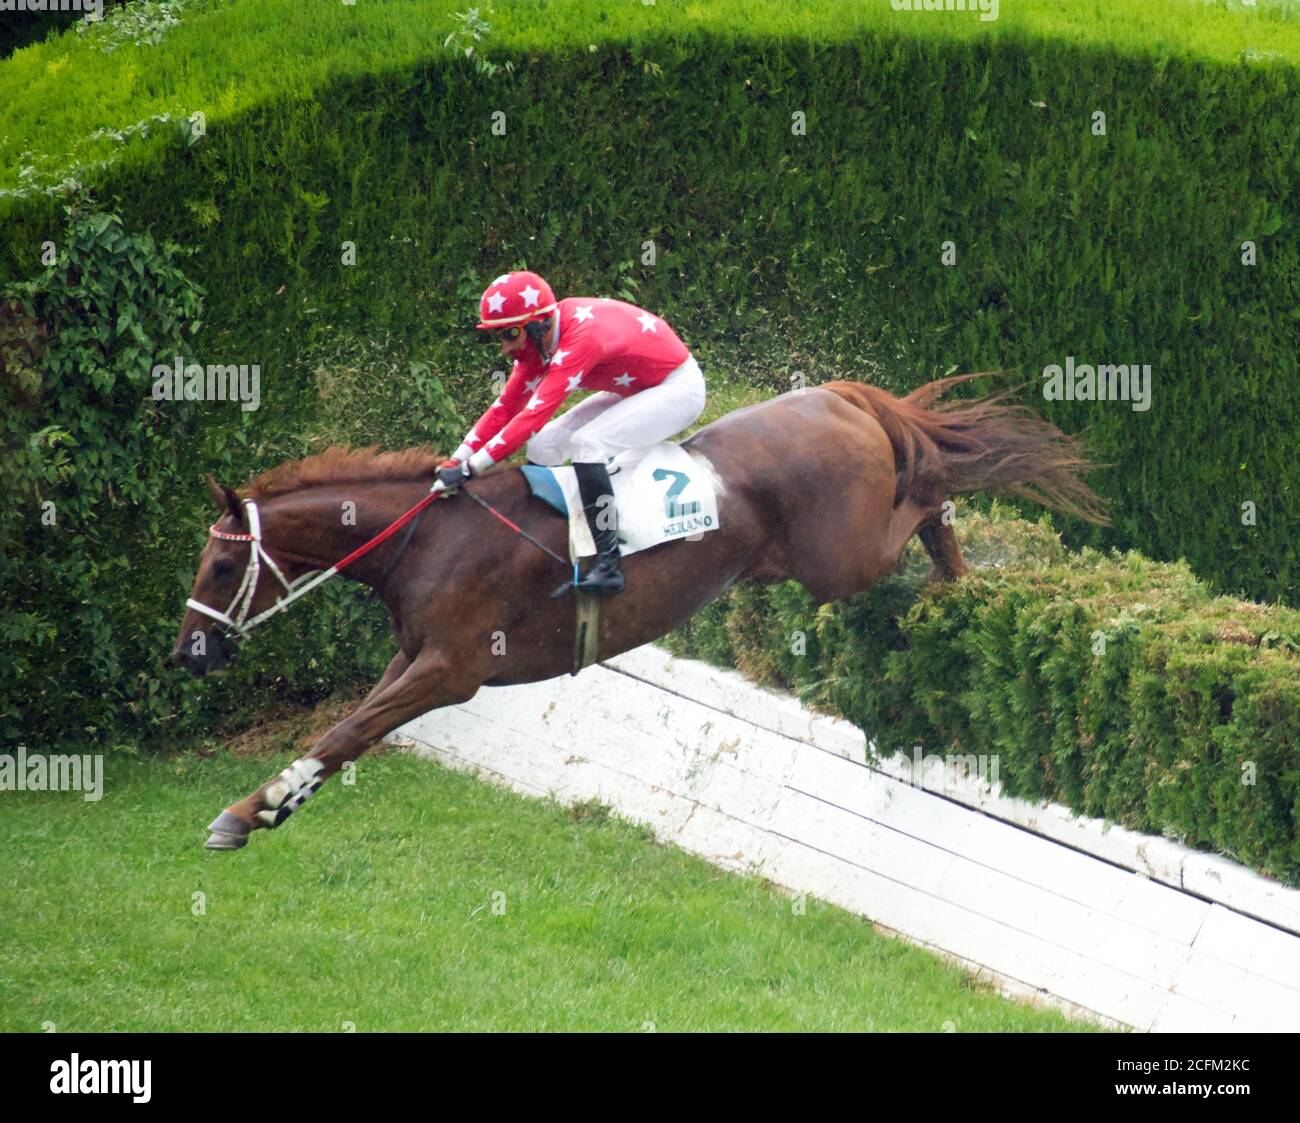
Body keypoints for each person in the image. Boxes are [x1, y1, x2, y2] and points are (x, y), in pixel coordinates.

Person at [435, 270, 706, 596]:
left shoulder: (581, 338)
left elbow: (533, 415)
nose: (505, 348)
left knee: (587, 444)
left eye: (509, 334)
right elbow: (505, 409)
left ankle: (609, 564)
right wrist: (457, 460)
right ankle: (551, 546)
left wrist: (471, 469)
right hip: (638, 389)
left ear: (538, 325)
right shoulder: (538, 345)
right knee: (545, 444)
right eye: (501, 336)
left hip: (678, 389)